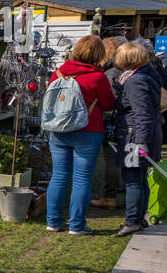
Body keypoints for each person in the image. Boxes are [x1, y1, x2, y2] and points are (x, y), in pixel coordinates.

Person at [45, 35, 115, 236]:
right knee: (82, 179)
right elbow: (109, 104)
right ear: (98, 54)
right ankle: (76, 225)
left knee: (58, 176)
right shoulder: (97, 77)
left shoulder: (57, 74)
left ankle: (54, 221)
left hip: (59, 130)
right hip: (88, 131)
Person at [112, 42, 165, 237]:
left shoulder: (135, 81)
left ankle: (132, 220)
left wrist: (140, 142)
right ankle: (139, 217)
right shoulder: (146, 76)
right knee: (139, 178)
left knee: (132, 179)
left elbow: (143, 114)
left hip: (135, 135)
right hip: (141, 133)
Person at [90, 36, 126, 209]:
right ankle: (112, 192)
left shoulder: (111, 73)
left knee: (112, 158)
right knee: (116, 158)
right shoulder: (120, 70)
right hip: (120, 121)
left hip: (114, 122)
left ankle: (109, 196)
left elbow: (110, 102)